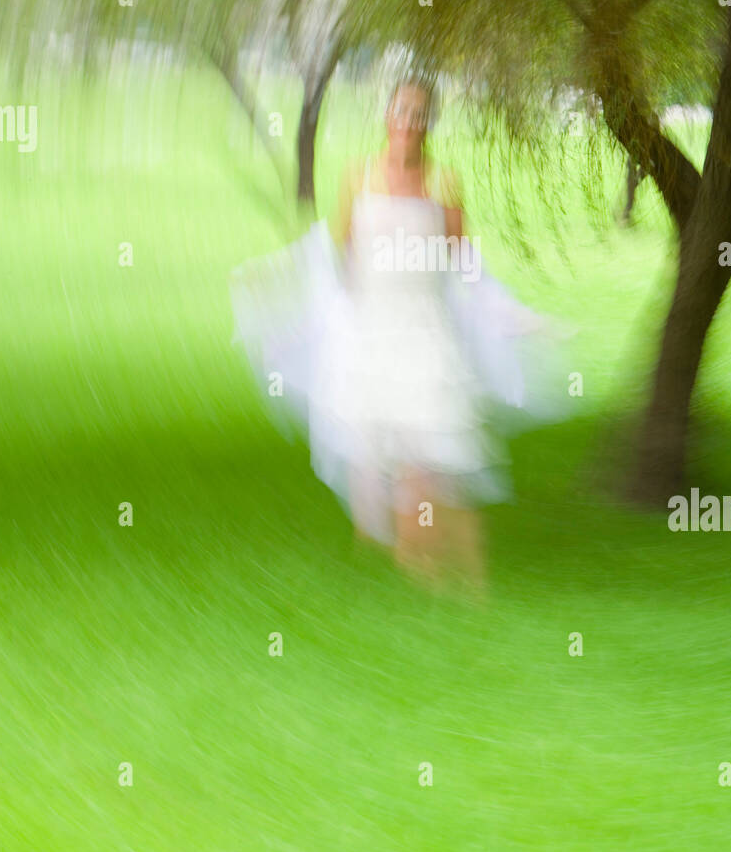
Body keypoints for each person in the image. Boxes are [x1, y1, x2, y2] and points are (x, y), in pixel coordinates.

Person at [230, 76, 572, 592]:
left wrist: (512, 315)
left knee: (432, 449)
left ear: (428, 123)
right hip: (371, 334)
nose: (410, 122)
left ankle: (453, 577)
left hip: (427, 335)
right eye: (402, 111)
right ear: (387, 117)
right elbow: (334, 251)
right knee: (377, 447)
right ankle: (408, 569)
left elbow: (465, 262)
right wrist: (289, 294)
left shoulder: (444, 182)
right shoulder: (359, 177)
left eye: (420, 113)